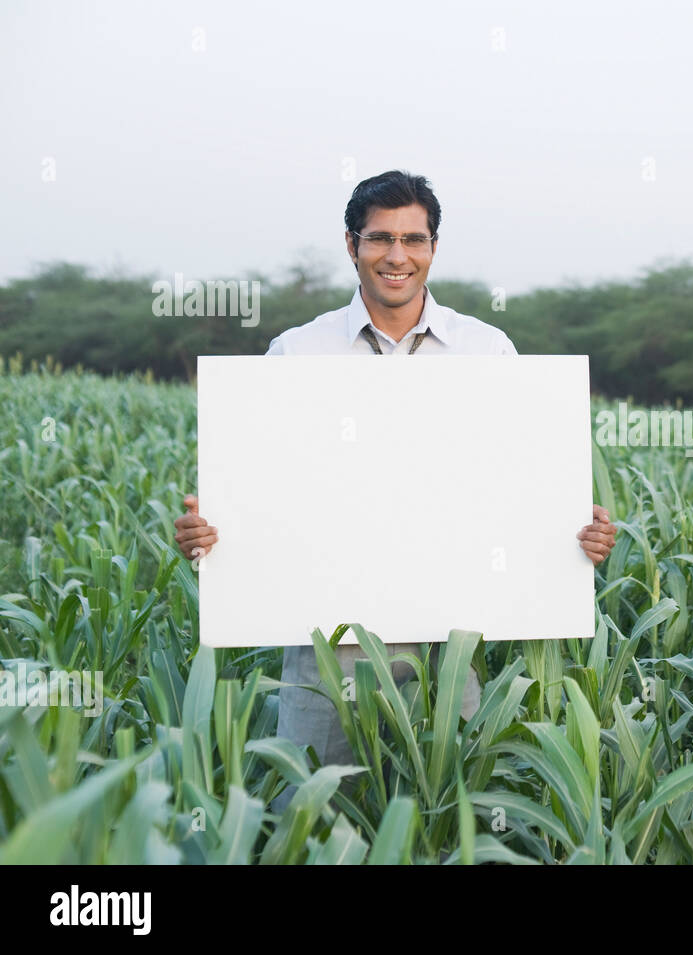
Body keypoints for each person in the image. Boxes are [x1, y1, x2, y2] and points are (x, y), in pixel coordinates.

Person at [173, 170, 616, 811]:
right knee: (311, 821)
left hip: (451, 642)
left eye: (414, 238)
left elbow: (518, 485)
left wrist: (576, 536)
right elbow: (261, 490)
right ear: (351, 245)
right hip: (327, 648)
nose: (397, 256)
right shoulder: (297, 355)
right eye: (380, 238)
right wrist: (210, 534)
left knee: (454, 821)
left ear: (434, 246)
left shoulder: (488, 353)